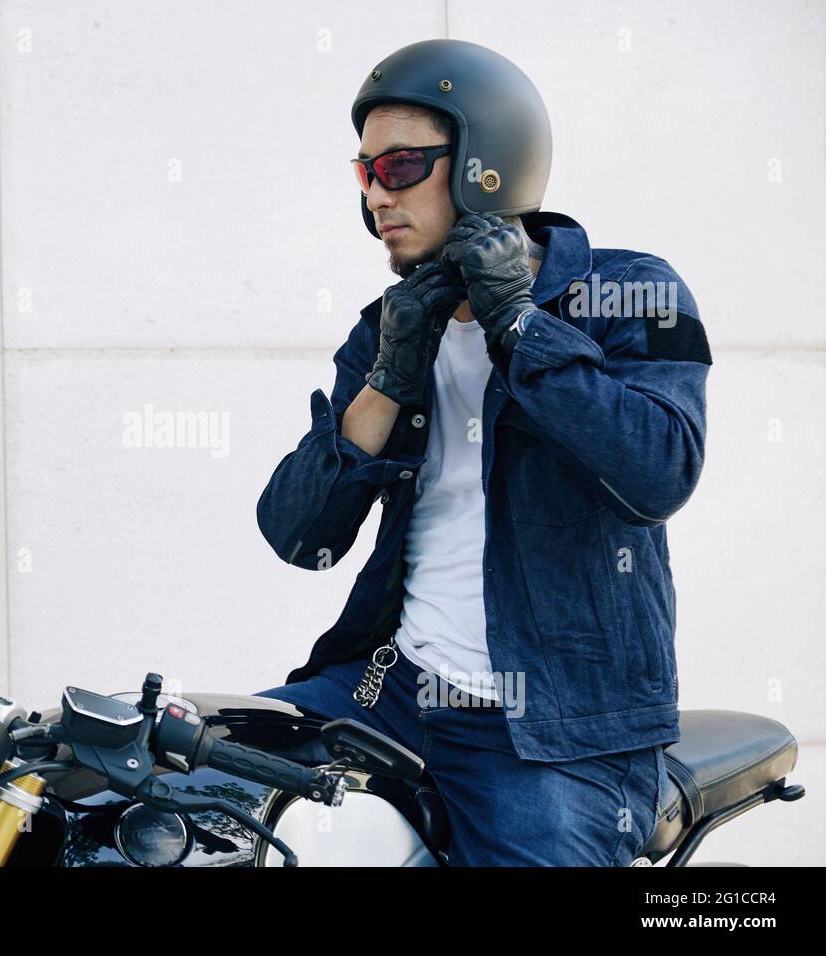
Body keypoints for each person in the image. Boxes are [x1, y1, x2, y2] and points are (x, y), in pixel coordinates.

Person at [253, 39, 712, 866]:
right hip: (387, 685)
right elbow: (297, 537)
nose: (375, 198)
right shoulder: (390, 325)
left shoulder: (632, 291)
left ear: (484, 166)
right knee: (189, 794)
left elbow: (658, 474)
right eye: (364, 174)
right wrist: (390, 376)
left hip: (550, 725)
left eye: (397, 167)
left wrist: (521, 325)